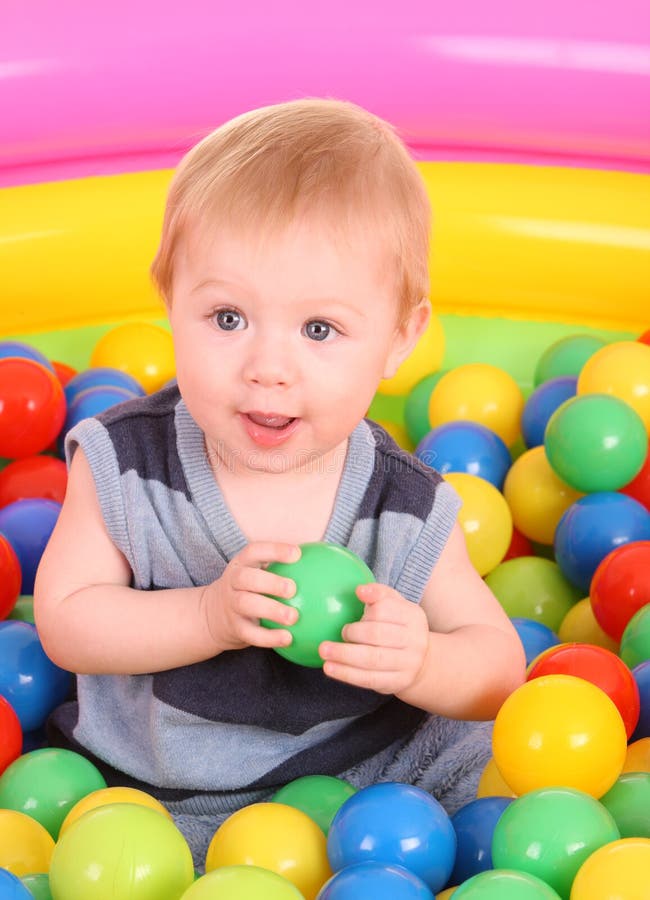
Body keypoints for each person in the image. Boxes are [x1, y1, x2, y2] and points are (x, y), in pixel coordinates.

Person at [34, 98, 525, 866]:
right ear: (169, 300)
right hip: (171, 793)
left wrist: (422, 662)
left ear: (400, 338)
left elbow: (498, 666)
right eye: (227, 318)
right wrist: (206, 615)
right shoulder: (123, 463)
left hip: (379, 786)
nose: (267, 366)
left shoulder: (405, 504)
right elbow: (65, 623)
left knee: (499, 792)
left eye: (319, 330)